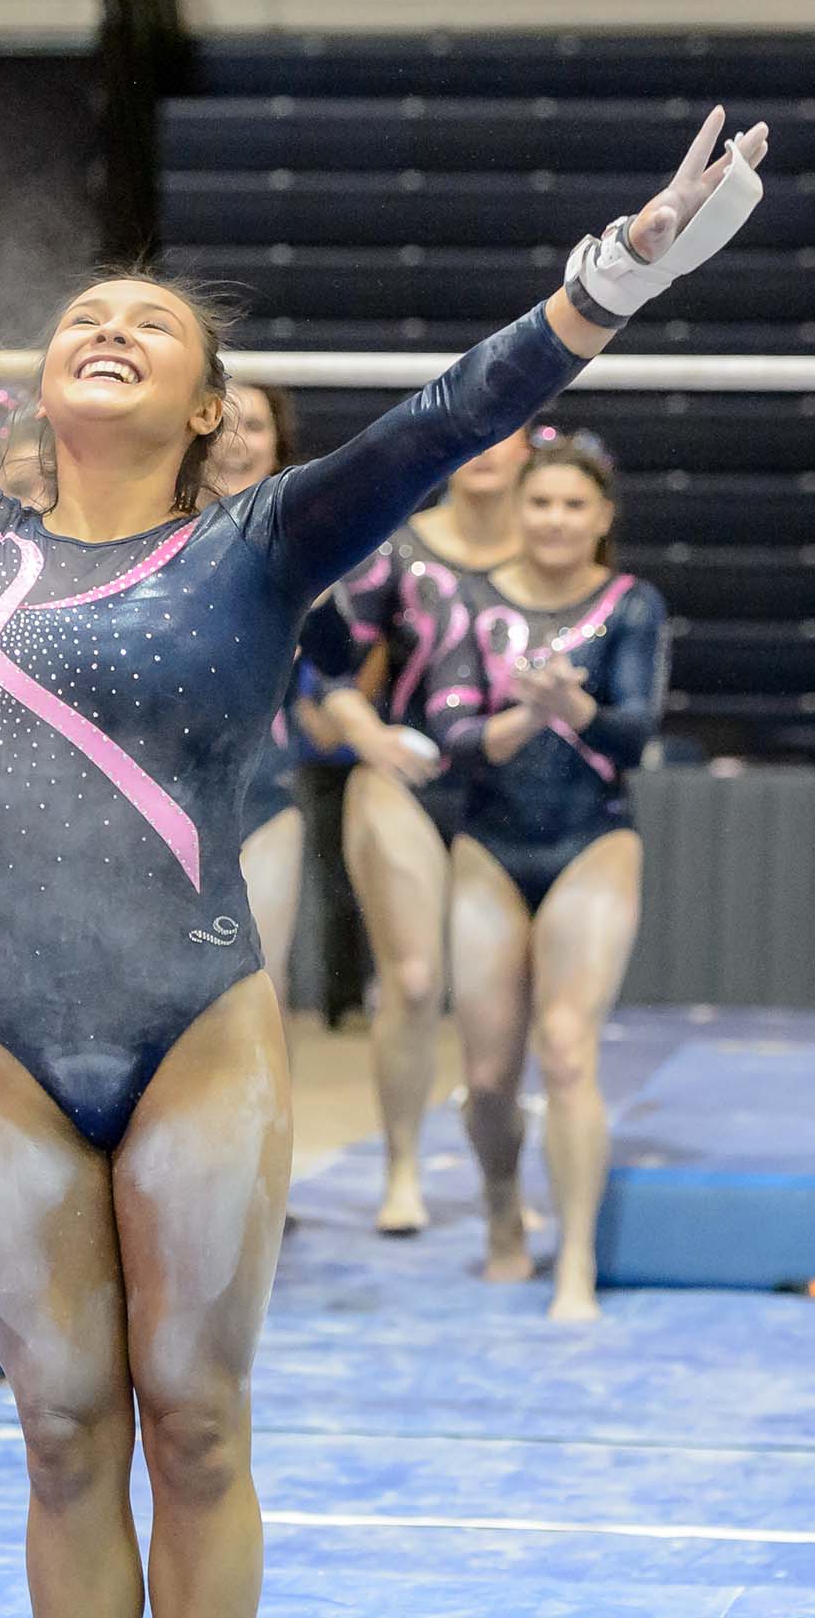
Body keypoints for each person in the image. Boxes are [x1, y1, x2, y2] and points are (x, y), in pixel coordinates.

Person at [0, 15, 764, 1608]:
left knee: (192, 1429)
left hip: (194, 1028)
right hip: (3, 1043)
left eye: (151, 324)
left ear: (208, 408)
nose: (109, 325)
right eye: (86, 315)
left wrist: (615, 275)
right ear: (43, 384)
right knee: (61, 1437)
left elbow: (451, 419)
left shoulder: (261, 543)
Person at [427, 433, 666, 1322]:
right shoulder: (471, 599)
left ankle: (575, 1261)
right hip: (491, 845)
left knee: (566, 1048)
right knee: (490, 1076)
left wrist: (573, 706)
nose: (556, 519)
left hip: (592, 838)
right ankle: (502, 1210)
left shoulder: (631, 604)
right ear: (517, 509)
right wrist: (528, 716)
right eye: (541, 503)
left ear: (603, 517)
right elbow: (451, 732)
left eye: (574, 505)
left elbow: (634, 733)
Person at [299, 427, 534, 1233]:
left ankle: (503, 1178)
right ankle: (401, 1169)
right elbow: (328, 662)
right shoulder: (396, 550)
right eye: (478, 436)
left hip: (506, 790)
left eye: (507, 437)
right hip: (407, 776)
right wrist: (368, 736)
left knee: (501, 999)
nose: (487, 452)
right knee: (413, 979)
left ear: (529, 452)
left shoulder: (549, 546)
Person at [211, 384, 306, 1011]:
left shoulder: (308, 540)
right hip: (153, 797)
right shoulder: (144, 531)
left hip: (262, 797)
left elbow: (339, 670)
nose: (237, 443)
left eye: (255, 426)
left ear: (279, 445)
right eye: (225, 424)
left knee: (259, 994)